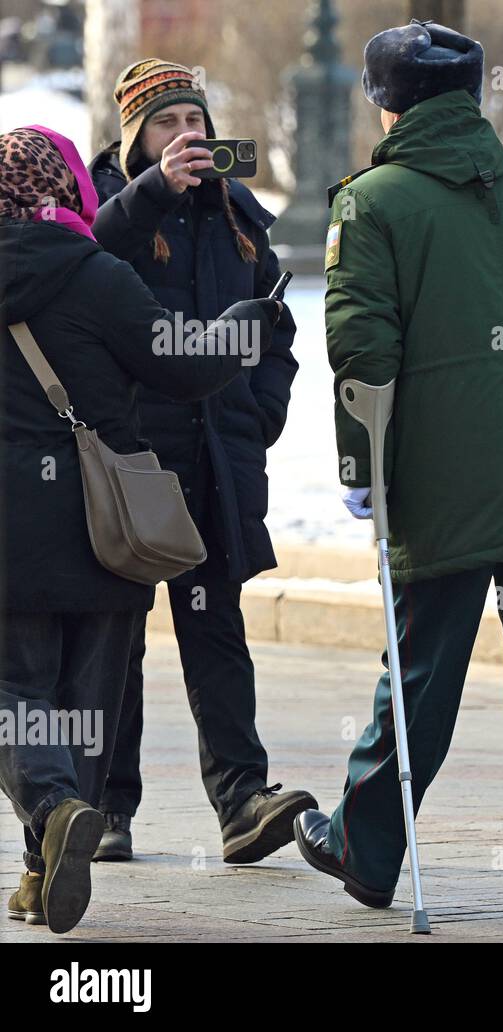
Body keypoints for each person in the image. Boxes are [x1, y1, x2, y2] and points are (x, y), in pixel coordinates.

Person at [292, 20, 503, 917]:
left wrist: (364, 467)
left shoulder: (372, 201)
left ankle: (365, 843)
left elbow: (362, 353)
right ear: (474, 95)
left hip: (439, 471)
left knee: (421, 667)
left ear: (385, 103)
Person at [0, 124, 280, 932]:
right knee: (86, 702)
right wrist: (245, 324)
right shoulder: (100, 276)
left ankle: (48, 824)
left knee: (18, 688)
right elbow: (182, 365)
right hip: (107, 520)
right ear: (70, 193)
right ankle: (50, 838)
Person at [86, 59, 315, 865]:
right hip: (128, 460)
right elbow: (81, 263)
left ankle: (243, 800)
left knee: (216, 624)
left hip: (218, 454)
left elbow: (277, 327)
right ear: (135, 138)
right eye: (166, 125)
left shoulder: (237, 210)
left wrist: (262, 411)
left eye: (195, 123)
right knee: (116, 635)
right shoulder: (103, 206)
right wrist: (153, 190)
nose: (187, 137)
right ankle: (107, 808)